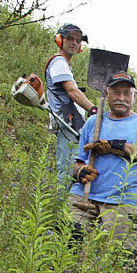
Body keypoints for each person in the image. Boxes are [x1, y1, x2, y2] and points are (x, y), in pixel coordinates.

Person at [68, 72, 137, 273]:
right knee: (68, 244)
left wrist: (117, 146)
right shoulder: (93, 123)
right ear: (107, 94)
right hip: (84, 195)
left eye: (127, 93)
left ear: (134, 96)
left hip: (122, 199)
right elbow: (77, 162)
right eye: (116, 92)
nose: (122, 98)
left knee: (124, 254)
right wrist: (80, 172)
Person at [44, 24, 97, 190]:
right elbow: (72, 91)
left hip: (72, 121)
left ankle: (69, 201)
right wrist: (93, 110)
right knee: (68, 167)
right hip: (66, 120)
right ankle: (61, 203)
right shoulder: (58, 62)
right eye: (70, 38)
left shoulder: (64, 65)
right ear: (60, 40)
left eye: (78, 40)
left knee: (76, 165)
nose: (74, 42)